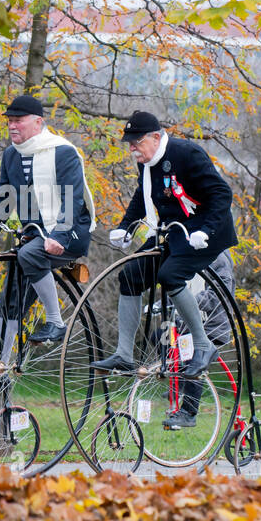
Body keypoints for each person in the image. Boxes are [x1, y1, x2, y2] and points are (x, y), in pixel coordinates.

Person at [0, 93, 96, 394]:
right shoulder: (11, 155)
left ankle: (56, 322)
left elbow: (72, 200)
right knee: (9, 302)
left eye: (18, 120)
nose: (12, 126)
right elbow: (2, 200)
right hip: (34, 239)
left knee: (31, 253)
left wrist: (58, 238)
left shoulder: (63, 152)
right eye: (9, 121)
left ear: (38, 122)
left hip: (70, 234)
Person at [92, 110, 236, 380]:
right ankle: (124, 354)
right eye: (130, 144)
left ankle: (202, 345)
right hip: (171, 231)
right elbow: (142, 193)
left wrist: (206, 229)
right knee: (130, 275)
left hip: (206, 233)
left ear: (156, 137)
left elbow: (221, 193)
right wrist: (125, 226)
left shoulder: (187, 153)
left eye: (137, 142)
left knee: (170, 276)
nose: (133, 148)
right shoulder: (147, 162)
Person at [153, 248, 235, 429]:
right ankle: (181, 382)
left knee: (190, 352)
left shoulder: (218, 257)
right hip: (188, 323)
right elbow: (178, 290)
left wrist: (189, 301)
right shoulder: (189, 255)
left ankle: (189, 412)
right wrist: (159, 305)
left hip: (211, 324)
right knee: (159, 336)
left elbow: (218, 294)